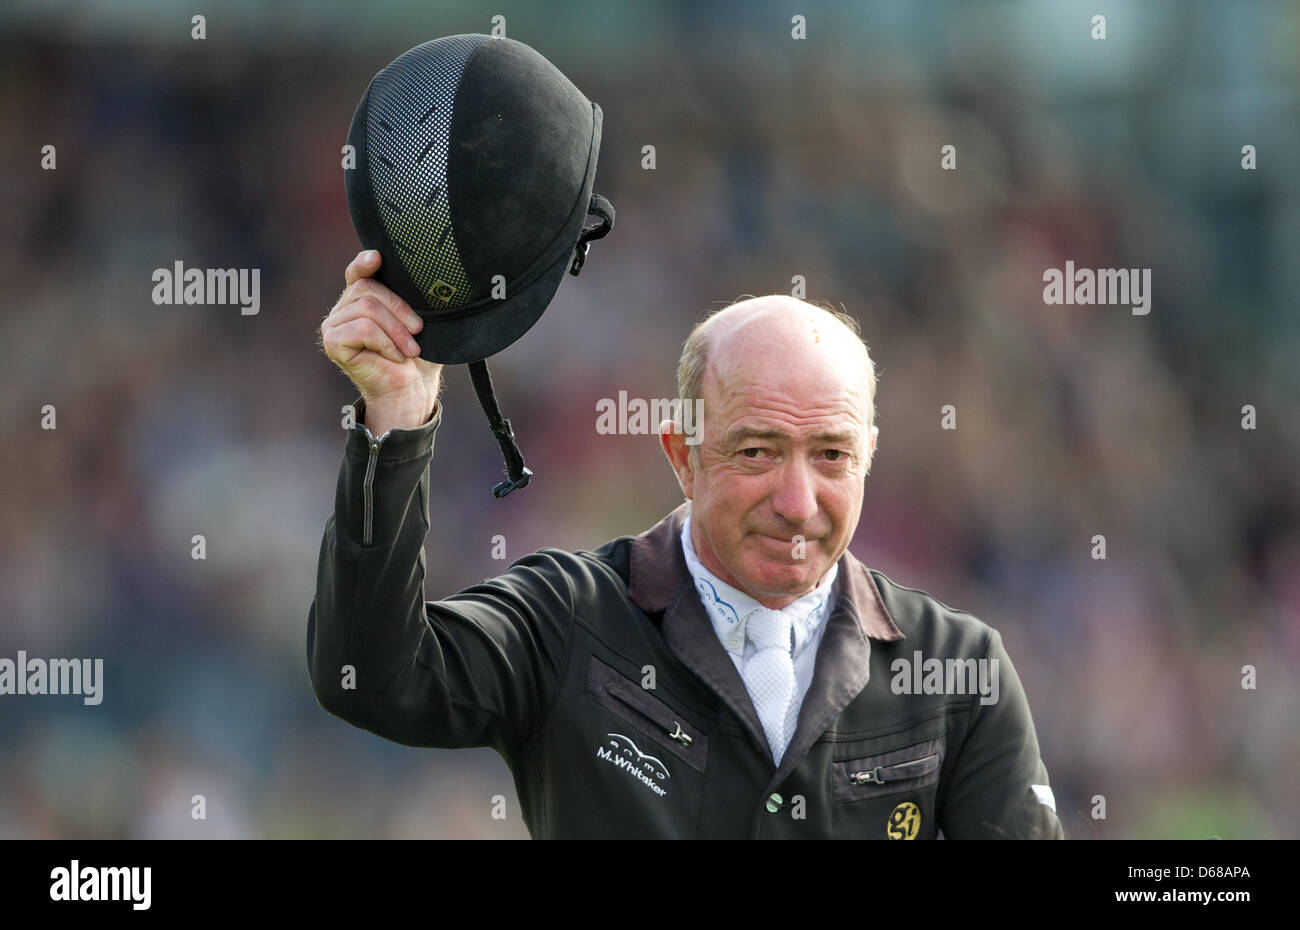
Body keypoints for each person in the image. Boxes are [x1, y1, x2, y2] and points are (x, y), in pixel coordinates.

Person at [309, 249, 1066, 839]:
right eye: (756, 452)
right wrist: (397, 420)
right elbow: (368, 677)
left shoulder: (959, 668)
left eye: (831, 455)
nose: (797, 503)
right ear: (682, 455)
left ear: (869, 454)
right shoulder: (568, 619)